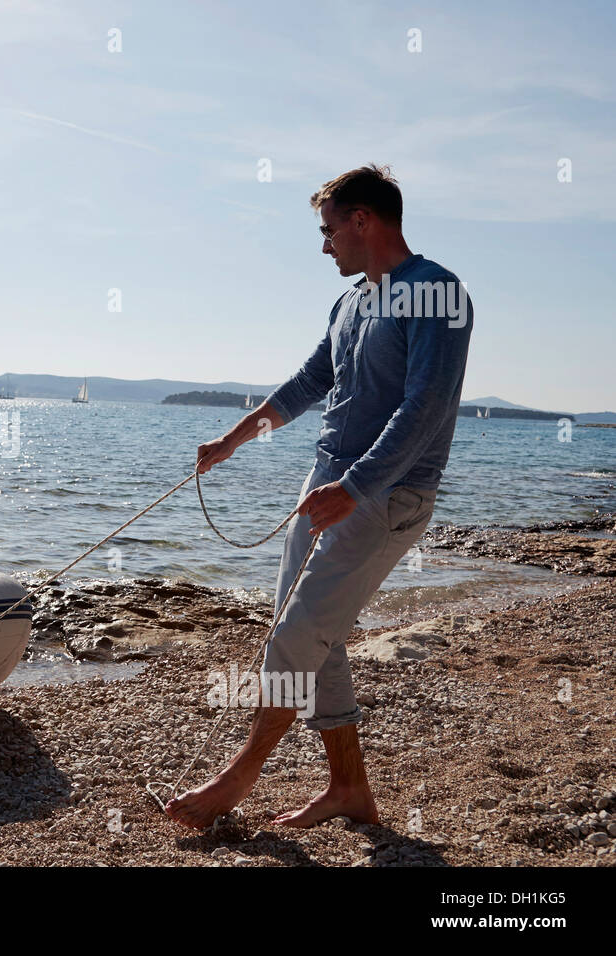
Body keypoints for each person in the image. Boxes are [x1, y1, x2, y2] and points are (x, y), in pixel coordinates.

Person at [166, 164, 473, 828]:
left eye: (330, 229)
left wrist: (358, 488)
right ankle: (348, 790)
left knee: (296, 636)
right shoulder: (352, 301)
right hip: (327, 487)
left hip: (385, 495)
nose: (324, 244)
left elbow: (424, 409)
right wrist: (233, 440)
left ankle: (236, 779)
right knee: (316, 639)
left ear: (365, 220)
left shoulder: (436, 292)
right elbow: (310, 381)